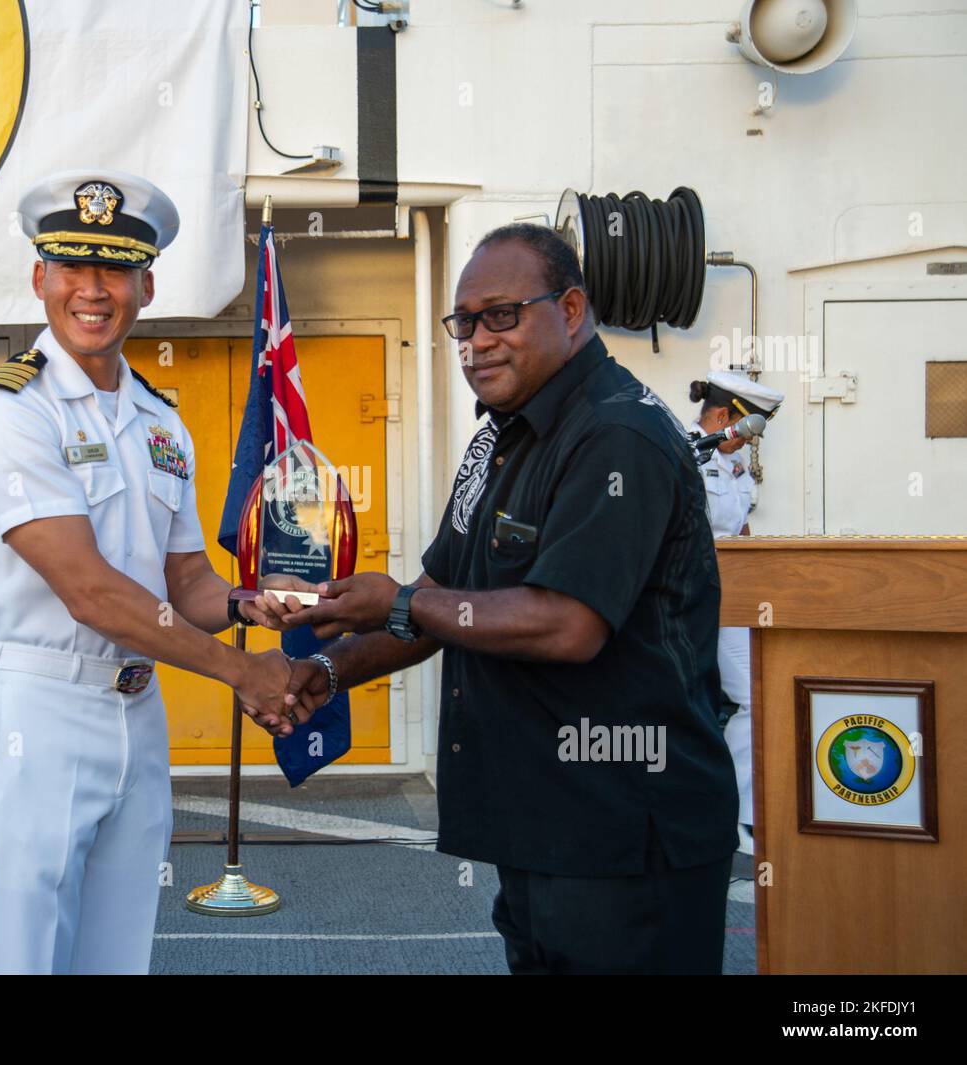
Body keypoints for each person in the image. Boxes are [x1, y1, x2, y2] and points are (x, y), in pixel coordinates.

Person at [261, 223, 740, 975]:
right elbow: (442, 603)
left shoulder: (620, 437)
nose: (476, 341)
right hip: (539, 831)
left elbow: (567, 623)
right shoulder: (499, 442)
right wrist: (326, 670)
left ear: (572, 309)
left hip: (626, 838)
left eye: (502, 315)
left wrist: (404, 602)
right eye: (464, 322)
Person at [0, 169, 293, 975]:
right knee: (26, 961)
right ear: (40, 278)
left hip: (137, 715)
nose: (91, 290)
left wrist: (250, 602)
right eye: (72, 266)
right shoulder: (9, 411)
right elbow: (90, 589)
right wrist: (242, 672)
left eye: (114, 269)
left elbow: (187, 587)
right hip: (36, 709)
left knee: (116, 957)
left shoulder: (160, 421)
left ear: (146, 283)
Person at [688, 371, 785, 854]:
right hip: (693, 602)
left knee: (750, 696)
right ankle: (722, 818)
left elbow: (740, 531)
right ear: (725, 418)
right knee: (722, 700)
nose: (752, 441)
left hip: (733, 599)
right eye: (751, 430)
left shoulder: (735, 466)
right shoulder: (686, 455)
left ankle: (740, 816)